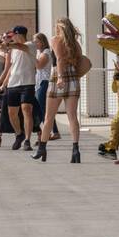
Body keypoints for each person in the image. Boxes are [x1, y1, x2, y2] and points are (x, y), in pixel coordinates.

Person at [36, 18, 84, 163]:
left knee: (49, 117)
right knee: (72, 117)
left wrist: (61, 77)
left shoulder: (55, 40)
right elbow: (83, 61)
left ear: (59, 28)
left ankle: (42, 149)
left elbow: (60, 58)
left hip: (58, 76)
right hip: (74, 79)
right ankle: (75, 150)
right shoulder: (76, 44)